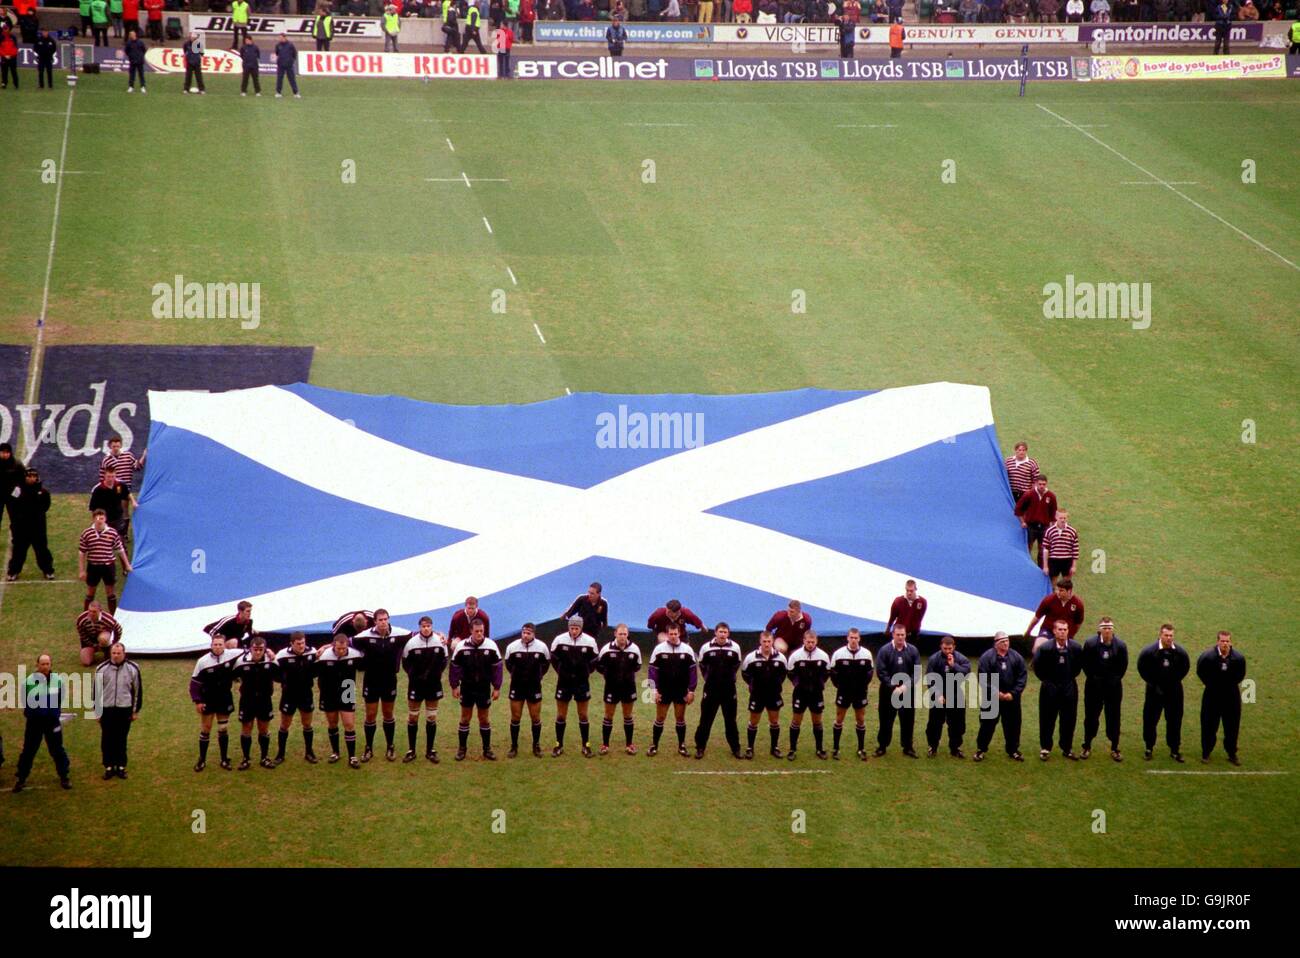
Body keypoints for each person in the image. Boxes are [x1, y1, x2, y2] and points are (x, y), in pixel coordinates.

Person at [351, 608, 412, 762]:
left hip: (389, 680)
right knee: (370, 715)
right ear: (375, 621)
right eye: (380, 620)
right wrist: (326, 647)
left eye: (386, 619)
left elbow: (417, 634)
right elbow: (347, 642)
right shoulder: (364, 636)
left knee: (388, 714)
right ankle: (368, 748)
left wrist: (439, 635)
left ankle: (390, 747)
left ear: (388, 619)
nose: (383, 622)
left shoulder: (399, 634)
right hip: (371, 680)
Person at [13, 654, 72, 792]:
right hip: (34, 723)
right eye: (43, 664)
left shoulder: (57, 680)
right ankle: (21, 778)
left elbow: (61, 697)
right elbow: (24, 699)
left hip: (52, 722)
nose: (45, 666)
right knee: (28, 750)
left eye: (47, 664)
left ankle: (64, 776)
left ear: (51, 665)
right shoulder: (29, 682)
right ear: (37, 665)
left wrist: (54, 712)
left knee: (57, 749)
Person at [448, 618, 502, 760]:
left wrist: (496, 687)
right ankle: (462, 749)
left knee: (484, 718)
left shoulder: (491, 645)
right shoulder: (461, 646)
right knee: (465, 718)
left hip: (483, 687)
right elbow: (454, 667)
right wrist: (455, 686)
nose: (479, 634)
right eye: (476, 631)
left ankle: (487, 749)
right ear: (471, 631)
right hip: (467, 687)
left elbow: (497, 668)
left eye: (481, 631)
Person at [189, 634, 243, 771]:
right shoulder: (202, 661)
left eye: (220, 644)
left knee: (223, 729)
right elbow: (194, 683)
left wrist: (268, 651)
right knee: (206, 729)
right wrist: (197, 701)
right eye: (215, 644)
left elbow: (251, 649)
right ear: (211, 645)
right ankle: (202, 760)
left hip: (224, 698)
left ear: (224, 645)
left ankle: (224, 759)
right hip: (208, 699)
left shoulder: (232, 654)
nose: (218, 647)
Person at [1137, 623, 1189, 762]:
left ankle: (1174, 749)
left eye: (1171, 636)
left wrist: (1173, 683)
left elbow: (1184, 669)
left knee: (1174, 721)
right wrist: (1154, 684)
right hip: (1154, 692)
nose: (1168, 638)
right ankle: (1149, 748)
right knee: (1150, 720)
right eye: (1166, 635)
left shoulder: (1180, 653)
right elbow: (1142, 669)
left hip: (1174, 693)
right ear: (1160, 635)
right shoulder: (1149, 652)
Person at [1032, 619, 1083, 760]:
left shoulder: (1076, 647)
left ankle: (1067, 748)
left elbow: (1078, 667)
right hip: (1049, 688)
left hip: (1069, 687)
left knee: (1069, 719)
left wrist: (1068, 680)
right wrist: (1048, 682)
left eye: (1065, 629)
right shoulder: (1045, 648)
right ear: (1054, 631)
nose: (1062, 632)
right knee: (1047, 718)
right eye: (1060, 629)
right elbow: (1037, 667)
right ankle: (1045, 748)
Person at [550, 615, 599, 756]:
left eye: (576, 628)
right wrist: (561, 671)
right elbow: (553, 658)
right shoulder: (559, 640)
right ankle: (558, 745)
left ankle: (586, 745)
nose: (574, 631)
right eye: (572, 628)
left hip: (581, 683)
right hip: (564, 682)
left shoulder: (590, 641)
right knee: (561, 716)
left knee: (583, 715)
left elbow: (595, 660)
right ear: (568, 627)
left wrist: (586, 672)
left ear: (581, 628)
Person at [401, 616, 448, 762]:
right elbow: (405, 663)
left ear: (432, 626)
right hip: (416, 685)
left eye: (428, 626)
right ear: (419, 627)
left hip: (433, 685)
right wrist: (414, 676)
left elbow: (444, 661)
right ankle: (411, 750)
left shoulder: (440, 642)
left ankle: (430, 751)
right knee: (413, 717)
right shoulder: (411, 643)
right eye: (423, 626)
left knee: (431, 717)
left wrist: (436, 675)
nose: (426, 628)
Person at [974, 632, 1026, 762]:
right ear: (996, 643)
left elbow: (1022, 677)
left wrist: (1013, 693)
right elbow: (983, 678)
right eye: (1002, 641)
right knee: (987, 724)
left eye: (1007, 641)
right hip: (992, 698)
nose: (1006, 643)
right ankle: (981, 749)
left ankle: (1013, 750)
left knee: (1013, 725)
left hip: (1011, 698)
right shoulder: (987, 658)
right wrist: (995, 692)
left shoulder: (1016, 657)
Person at [1080, 616, 1126, 761]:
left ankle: (1115, 747)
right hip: (1094, 688)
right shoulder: (1090, 644)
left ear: (1113, 630)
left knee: (1114, 717)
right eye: (1104, 628)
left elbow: (1123, 666)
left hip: (1113, 688)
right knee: (1091, 717)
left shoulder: (1120, 645)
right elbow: (1085, 664)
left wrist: (1114, 680)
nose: (1107, 631)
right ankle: (1086, 746)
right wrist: (1094, 679)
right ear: (1099, 630)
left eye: (1109, 628)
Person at [694, 623, 743, 759]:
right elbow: (702, 665)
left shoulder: (735, 647)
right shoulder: (706, 647)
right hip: (711, 689)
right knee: (705, 719)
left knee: (731, 720)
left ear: (728, 634)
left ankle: (736, 748)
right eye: (720, 632)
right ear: (715, 633)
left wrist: (729, 678)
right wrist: (709, 678)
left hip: (728, 689)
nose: (722, 634)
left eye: (725, 632)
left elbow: (736, 665)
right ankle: (700, 747)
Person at [94, 642, 142, 780]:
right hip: (107, 709)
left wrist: (134, 711)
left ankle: (121, 766)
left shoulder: (133, 668)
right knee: (107, 738)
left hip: (124, 709)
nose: (115, 656)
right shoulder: (101, 669)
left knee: (121, 738)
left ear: (124, 653)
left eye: (118, 653)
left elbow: (138, 691)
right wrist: (97, 712)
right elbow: (96, 691)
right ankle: (108, 767)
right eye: (113, 653)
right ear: (110, 653)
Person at [647, 626, 696, 757]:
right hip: (664, 690)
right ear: (667, 634)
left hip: (681, 690)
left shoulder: (687, 650)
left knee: (680, 718)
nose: (673, 636)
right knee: (660, 718)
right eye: (671, 634)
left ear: (679, 634)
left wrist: (691, 691)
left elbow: (693, 672)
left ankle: (682, 746)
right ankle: (654, 745)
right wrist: (653, 690)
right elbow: (652, 670)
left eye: (675, 634)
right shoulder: (659, 649)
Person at [1197, 631, 1245, 765]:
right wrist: (1213, 685)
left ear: (1231, 642)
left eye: (1227, 641)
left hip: (1231, 697)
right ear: (1217, 641)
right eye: (1222, 641)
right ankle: (1206, 752)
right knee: (1209, 725)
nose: (1225, 644)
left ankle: (1232, 753)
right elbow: (1201, 672)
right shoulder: (1207, 657)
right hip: (1212, 696)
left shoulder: (1238, 658)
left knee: (1232, 726)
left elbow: (1240, 675)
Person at [317, 632, 364, 767]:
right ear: (333, 646)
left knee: (349, 724)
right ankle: (335, 752)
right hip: (329, 692)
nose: (342, 651)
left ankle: (352, 757)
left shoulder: (355, 655)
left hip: (347, 689)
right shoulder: (323, 656)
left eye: (344, 648)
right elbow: (316, 674)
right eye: (339, 649)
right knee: (332, 723)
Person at [874, 623, 920, 757]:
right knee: (886, 719)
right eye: (898, 634)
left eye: (902, 635)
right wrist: (893, 687)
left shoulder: (913, 650)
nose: (900, 637)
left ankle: (908, 747)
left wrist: (905, 687)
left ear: (906, 635)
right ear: (893, 634)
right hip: (888, 692)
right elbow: (881, 672)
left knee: (908, 720)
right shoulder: (884, 650)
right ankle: (882, 746)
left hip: (907, 692)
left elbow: (916, 673)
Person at [273, 632, 318, 765]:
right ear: (291, 644)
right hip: (289, 694)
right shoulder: (282, 655)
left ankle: (309, 752)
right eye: (298, 644)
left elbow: (316, 669)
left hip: (306, 693)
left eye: (303, 643)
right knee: (285, 724)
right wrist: (284, 680)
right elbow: (274, 672)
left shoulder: (312, 652)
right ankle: (280, 754)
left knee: (307, 724)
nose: (301, 646)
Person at [504, 623, 549, 757]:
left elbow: (546, 664)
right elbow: (508, 664)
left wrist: (538, 676)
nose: (525, 635)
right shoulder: (512, 647)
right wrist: (515, 675)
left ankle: (536, 746)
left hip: (534, 687)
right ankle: (514, 747)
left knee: (535, 717)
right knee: (515, 717)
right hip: (517, 687)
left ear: (533, 634)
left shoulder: (542, 647)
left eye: (528, 633)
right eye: (523, 632)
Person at [596, 624, 641, 755]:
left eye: (625, 634)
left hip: (628, 687)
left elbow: (637, 666)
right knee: (608, 716)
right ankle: (605, 745)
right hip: (611, 687)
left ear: (628, 635)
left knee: (628, 716)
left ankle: (629, 745)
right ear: (615, 634)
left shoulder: (634, 649)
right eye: (620, 634)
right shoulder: (606, 649)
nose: (622, 637)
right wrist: (609, 676)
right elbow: (599, 666)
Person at [785, 631, 831, 760]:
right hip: (800, 693)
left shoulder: (823, 656)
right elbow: (790, 673)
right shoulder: (795, 656)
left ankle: (819, 749)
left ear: (816, 641)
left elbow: (827, 672)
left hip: (816, 694)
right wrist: (797, 684)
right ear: (803, 641)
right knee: (796, 721)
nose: (810, 644)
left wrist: (820, 684)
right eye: (808, 642)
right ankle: (792, 749)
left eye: (812, 642)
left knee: (817, 721)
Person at [740, 631, 786, 759]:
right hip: (757, 695)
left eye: (769, 641)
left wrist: (776, 685)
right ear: (760, 642)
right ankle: (750, 748)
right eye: (764, 641)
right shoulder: (751, 657)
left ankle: (774, 748)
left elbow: (783, 674)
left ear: (772, 642)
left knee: (774, 721)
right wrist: (752, 685)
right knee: (754, 721)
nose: (766, 644)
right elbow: (745, 674)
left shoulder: (780, 657)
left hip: (773, 695)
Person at [234, 637, 278, 770]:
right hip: (247, 700)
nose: (258, 652)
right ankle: (246, 759)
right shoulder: (241, 662)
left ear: (265, 649)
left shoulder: (271, 661)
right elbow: (233, 675)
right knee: (246, 728)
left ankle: (264, 758)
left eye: (261, 650)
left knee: (263, 729)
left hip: (264, 700)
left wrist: (273, 657)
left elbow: (280, 676)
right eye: (255, 649)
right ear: (250, 649)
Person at [829, 628, 872, 760]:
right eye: (851, 637)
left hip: (860, 692)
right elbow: (833, 673)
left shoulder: (866, 654)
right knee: (839, 718)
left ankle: (861, 748)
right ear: (847, 638)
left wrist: (862, 686)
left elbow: (870, 674)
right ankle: (836, 749)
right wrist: (841, 687)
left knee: (860, 719)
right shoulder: (838, 654)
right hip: (844, 692)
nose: (853, 640)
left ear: (859, 639)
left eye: (856, 638)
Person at [924, 635, 970, 758]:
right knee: (934, 724)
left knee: (957, 724)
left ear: (954, 647)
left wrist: (953, 665)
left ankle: (955, 748)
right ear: (941, 647)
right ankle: (932, 747)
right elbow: (929, 678)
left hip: (956, 694)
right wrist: (938, 694)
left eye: (950, 648)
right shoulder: (934, 659)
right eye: (945, 648)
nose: (948, 651)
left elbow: (966, 673)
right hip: (938, 695)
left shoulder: (961, 658)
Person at [78, 509, 132, 614]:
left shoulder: (112, 533)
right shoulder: (87, 533)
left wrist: (127, 565)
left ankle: (113, 615)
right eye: (97, 518)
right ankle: (86, 615)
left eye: (102, 518)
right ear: (93, 519)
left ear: (105, 519)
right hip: (93, 566)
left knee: (110, 592)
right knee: (90, 592)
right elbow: (82, 552)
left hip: (108, 566)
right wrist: (82, 570)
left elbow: (120, 549)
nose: (99, 521)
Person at [6, 467, 54, 582]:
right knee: (18, 551)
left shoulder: (43, 492)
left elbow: (46, 506)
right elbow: (11, 505)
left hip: (38, 527)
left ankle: (48, 570)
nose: (32, 479)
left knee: (42, 550)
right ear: (25, 477)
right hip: (21, 527)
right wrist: (16, 520)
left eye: (34, 476)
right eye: (29, 476)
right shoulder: (18, 490)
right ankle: (13, 571)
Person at [1025, 578, 1084, 650]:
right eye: (1057, 589)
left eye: (1061, 590)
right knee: (1038, 647)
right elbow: (1037, 617)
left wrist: (1071, 634)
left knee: (1062, 653)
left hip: (1064, 633)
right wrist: (1028, 631)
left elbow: (1078, 623)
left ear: (1069, 591)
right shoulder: (1049, 600)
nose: (1058, 592)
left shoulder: (1078, 604)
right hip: (1048, 630)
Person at [1015, 474, 1058, 564]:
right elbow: (1018, 509)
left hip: (1044, 527)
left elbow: (1053, 513)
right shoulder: (1029, 494)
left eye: (1044, 484)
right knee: (1028, 548)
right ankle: (1026, 565)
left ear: (1046, 484)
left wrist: (1053, 527)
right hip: (1030, 526)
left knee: (1042, 550)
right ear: (1035, 484)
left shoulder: (1051, 496)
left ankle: (1041, 569)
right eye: (1040, 484)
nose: (1042, 486)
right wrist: (1022, 522)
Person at [88, 467, 132, 541]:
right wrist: (97, 520)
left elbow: (127, 493)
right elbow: (93, 508)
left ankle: (122, 549)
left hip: (118, 516)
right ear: (104, 476)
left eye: (113, 476)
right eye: (109, 476)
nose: (111, 479)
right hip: (105, 518)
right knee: (104, 538)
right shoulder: (97, 490)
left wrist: (133, 502)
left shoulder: (119, 485)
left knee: (120, 537)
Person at [76, 602, 122, 667]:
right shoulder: (82, 619)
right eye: (90, 611)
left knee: (103, 638)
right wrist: (92, 645)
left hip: (103, 637)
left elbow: (118, 629)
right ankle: (92, 651)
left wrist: (114, 643)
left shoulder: (107, 619)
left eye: (94, 612)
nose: (91, 614)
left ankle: (106, 650)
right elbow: (82, 634)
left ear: (100, 611)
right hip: (89, 640)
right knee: (86, 662)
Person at [1041, 509, 1079, 581]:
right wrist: (1045, 566)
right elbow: (1046, 549)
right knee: (1052, 582)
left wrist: (1074, 566)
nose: (1063, 520)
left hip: (1067, 560)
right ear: (1056, 517)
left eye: (1064, 518)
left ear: (1067, 518)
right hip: (1053, 560)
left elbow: (1075, 549)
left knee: (1066, 583)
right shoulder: (1049, 531)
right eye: (1060, 518)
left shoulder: (1072, 531)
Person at [274, 32, 300, 97]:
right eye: (279, 38)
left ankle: (296, 93)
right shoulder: (278, 45)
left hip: (289, 65)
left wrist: (291, 61)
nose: (280, 39)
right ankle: (278, 92)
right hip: (280, 65)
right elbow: (277, 53)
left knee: (292, 79)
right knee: (279, 79)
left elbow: (294, 54)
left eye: (281, 38)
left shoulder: (290, 45)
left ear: (285, 37)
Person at [0, 24, 17, 88]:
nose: (5, 30)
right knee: (4, 72)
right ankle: (4, 83)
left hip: (12, 57)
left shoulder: (13, 37)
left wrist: (11, 55)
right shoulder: (1, 37)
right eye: (4, 29)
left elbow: (15, 48)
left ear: (9, 29)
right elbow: (0, 48)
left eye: (6, 29)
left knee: (14, 71)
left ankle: (16, 84)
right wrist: (4, 55)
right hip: (4, 57)